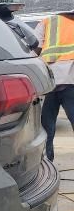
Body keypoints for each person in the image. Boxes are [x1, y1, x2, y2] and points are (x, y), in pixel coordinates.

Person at [36, 13, 74, 161]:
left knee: (47, 126)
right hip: (70, 80)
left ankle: (47, 161)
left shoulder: (46, 22)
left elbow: (35, 48)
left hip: (50, 81)